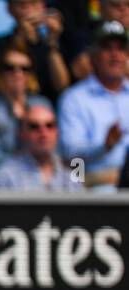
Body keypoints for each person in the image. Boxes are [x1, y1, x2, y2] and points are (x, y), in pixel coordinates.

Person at [59, 19, 129, 188]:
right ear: (93, 55)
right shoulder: (74, 98)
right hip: (97, 187)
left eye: (121, 48)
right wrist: (104, 146)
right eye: (107, 48)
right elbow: (71, 154)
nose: (115, 55)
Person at [0, 45, 50, 170]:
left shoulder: (43, 104)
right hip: (3, 181)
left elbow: (53, 150)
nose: (18, 73)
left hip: (41, 179)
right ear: (0, 73)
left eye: (25, 68)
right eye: (10, 68)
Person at [0, 0, 72, 103]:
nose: (28, 9)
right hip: (7, 107)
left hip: (46, 109)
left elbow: (63, 87)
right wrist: (21, 36)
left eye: (34, 3)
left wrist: (52, 43)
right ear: (10, 9)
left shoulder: (53, 43)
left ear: (43, 7)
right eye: (22, 4)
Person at [0, 100, 81, 189]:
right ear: (21, 133)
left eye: (49, 125)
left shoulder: (72, 171)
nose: (43, 133)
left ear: (57, 132)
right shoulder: (6, 176)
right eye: (34, 127)